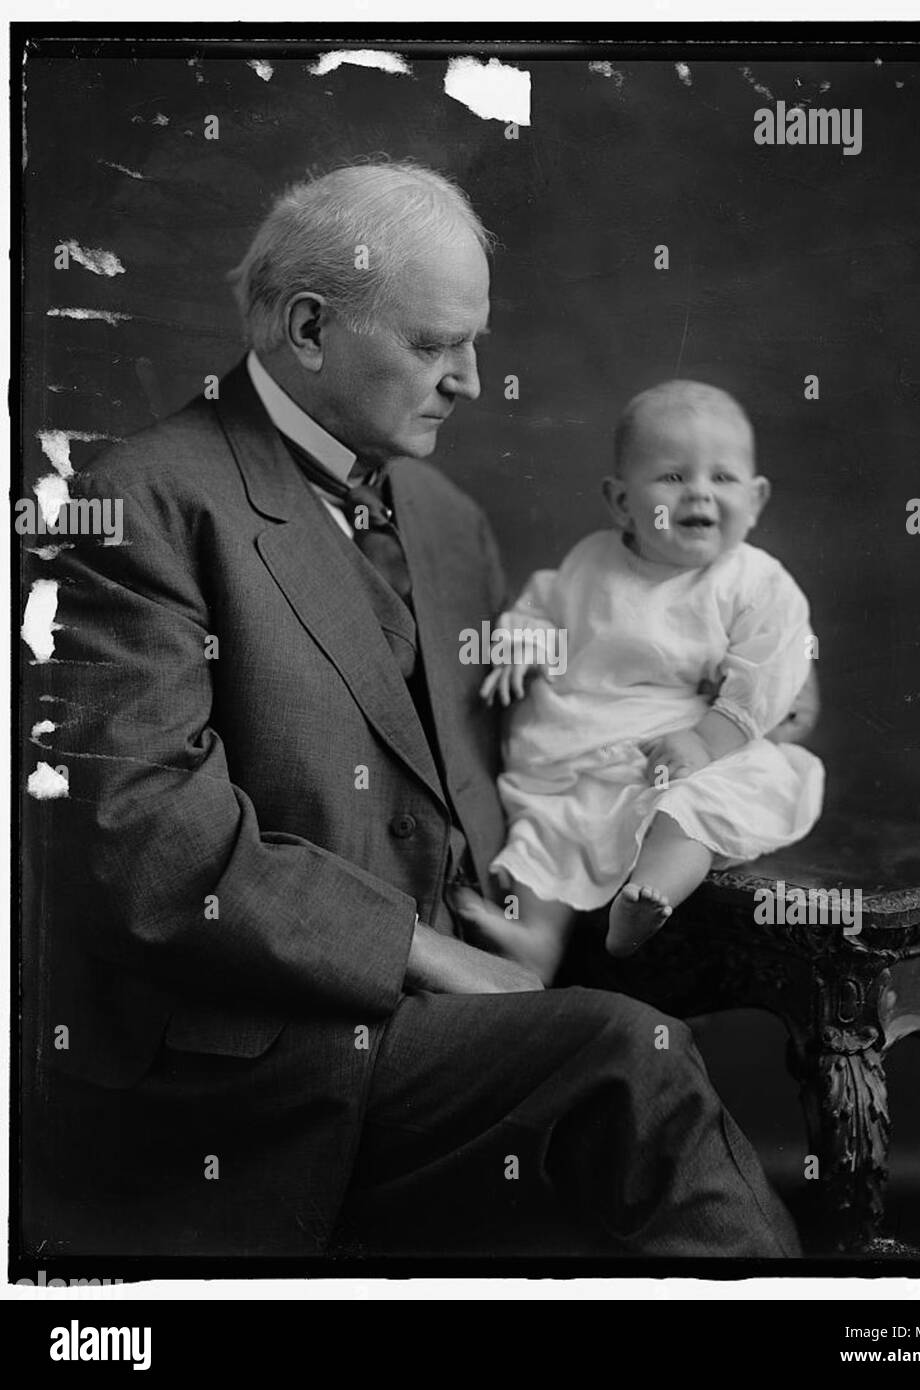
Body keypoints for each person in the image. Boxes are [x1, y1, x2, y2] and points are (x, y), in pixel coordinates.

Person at [25, 161, 806, 1261]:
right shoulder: (140, 501)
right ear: (307, 328)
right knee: (631, 1058)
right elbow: (143, 844)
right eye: (436, 346)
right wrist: (431, 957)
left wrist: (725, 727)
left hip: (461, 1008)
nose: (472, 380)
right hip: (261, 1063)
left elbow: (523, 756)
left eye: (472, 342)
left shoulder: (442, 517)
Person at [460, 381, 825, 984]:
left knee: (692, 808)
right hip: (579, 752)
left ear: (756, 500)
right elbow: (544, 605)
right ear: (620, 500)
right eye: (673, 477)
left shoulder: (754, 583)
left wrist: (705, 741)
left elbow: (770, 672)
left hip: (686, 750)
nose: (700, 492)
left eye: (724, 479)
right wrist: (525, 642)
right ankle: (536, 942)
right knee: (544, 832)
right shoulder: (590, 562)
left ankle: (649, 896)